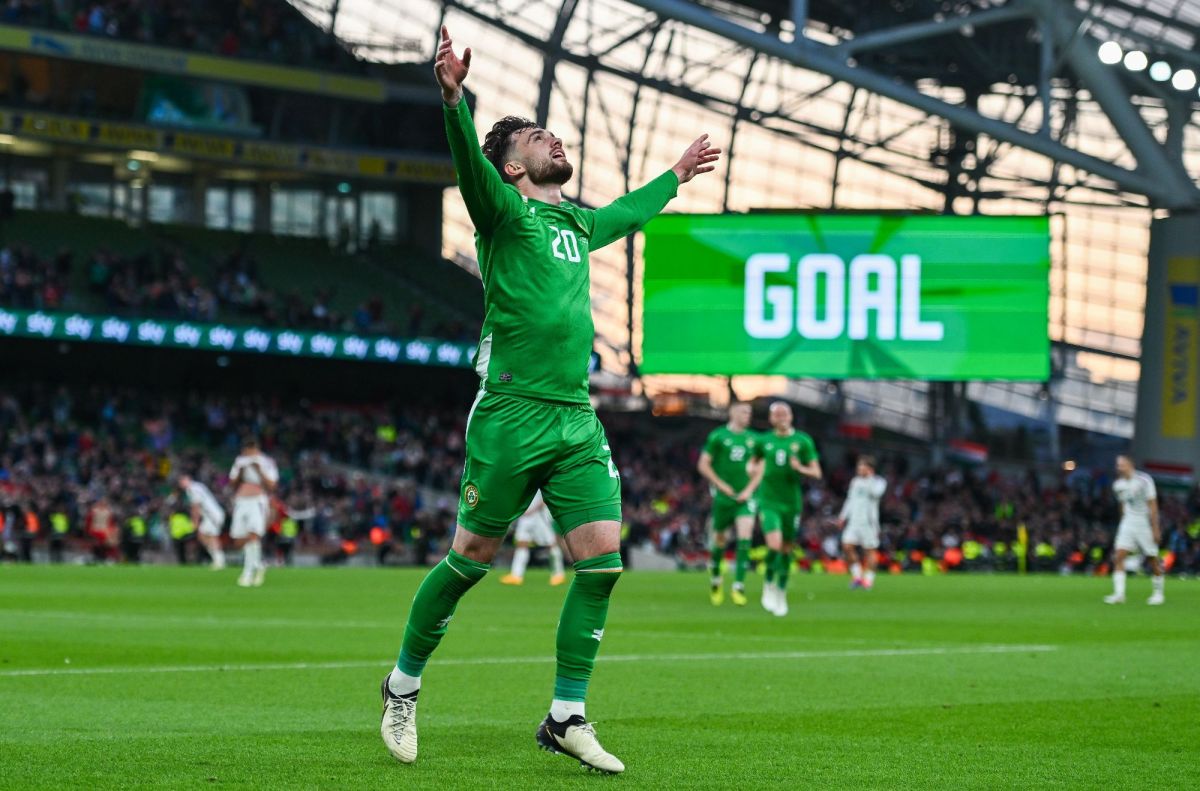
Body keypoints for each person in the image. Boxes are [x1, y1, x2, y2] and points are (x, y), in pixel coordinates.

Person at [379, 25, 720, 775]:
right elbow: (467, 159)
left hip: (574, 415)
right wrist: (452, 98)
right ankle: (401, 684)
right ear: (513, 165)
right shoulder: (502, 211)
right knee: (470, 557)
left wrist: (674, 174)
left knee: (602, 566)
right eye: (538, 136)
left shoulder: (573, 221)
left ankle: (566, 714)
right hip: (509, 412)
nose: (552, 138)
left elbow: (628, 214)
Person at [750, 402, 821, 617]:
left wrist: (799, 468)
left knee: (787, 548)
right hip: (768, 500)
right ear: (771, 419)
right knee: (774, 545)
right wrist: (751, 469)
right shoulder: (764, 441)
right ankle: (769, 583)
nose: (781, 417)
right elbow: (752, 464)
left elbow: (816, 472)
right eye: (776, 414)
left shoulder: (802, 441)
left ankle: (781, 590)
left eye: (784, 413)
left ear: (790, 417)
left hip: (791, 503)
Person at [696, 402, 762, 606]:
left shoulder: (755, 439)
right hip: (724, 497)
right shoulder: (718, 436)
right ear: (732, 413)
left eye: (749, 412)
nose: (747, 415)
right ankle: (716, 580)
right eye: (744, 411)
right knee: (720, 541)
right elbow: (703, 464)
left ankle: (738, 587)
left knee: (745, 538)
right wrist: (720, 484)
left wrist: (749, 490)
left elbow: (760, 468)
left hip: (746, 497)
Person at [1105, 455, 1164, 605]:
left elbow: (1153, 505)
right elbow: (1122, 505)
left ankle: (1158, 593)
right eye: (1118, 465)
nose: (1119, 467)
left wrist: (1155, 527)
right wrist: (1123, 522)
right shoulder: (1118, 485)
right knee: (1118, 556)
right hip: (1128, 523)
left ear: (1130, 464)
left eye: (1122, 464)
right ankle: (1119, 594)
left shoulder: (1145, 480)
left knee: (1152, 558)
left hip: (1143, 522)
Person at [229, 437, 278, 587]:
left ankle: (247, 573)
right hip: (241, 501)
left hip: (257, 500)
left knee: (253, 534)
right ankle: (258, 565)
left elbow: (272, 485)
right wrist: (242, 471)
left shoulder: (266, 462)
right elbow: (232, 483)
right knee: (238, 539)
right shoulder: (240, 462)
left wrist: (258, 469)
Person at [838, 455, 887, 590]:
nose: (859, 468)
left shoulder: (879, 481)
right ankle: (857, 576)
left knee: (869, 551)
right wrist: (842, 516)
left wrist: (869, 479)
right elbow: (849, 500)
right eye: (858, 466)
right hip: (854, 521)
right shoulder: (855, 481)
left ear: (870, 468)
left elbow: (876, 494)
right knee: (847, 546)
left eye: (861, 466)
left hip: (869, 522)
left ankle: (868, 580)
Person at [501, 490, 567, 586]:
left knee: (550, 544)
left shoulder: (541, 477)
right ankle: (516, 576)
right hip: (525, 516)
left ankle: (558, 574)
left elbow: (547, 497)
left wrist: (534, 509)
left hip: (539, 515)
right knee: (521, 543)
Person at [179, 473, 227, 570]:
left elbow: (195, 506)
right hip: (211, 515)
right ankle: (217, 558)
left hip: (212, 515)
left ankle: (219, 561)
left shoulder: (192, 489)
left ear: (188, 479)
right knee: (202, 535)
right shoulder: (198, 486)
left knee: (211, 536)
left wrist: (195, 522)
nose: (181, 484)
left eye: (182, 481)